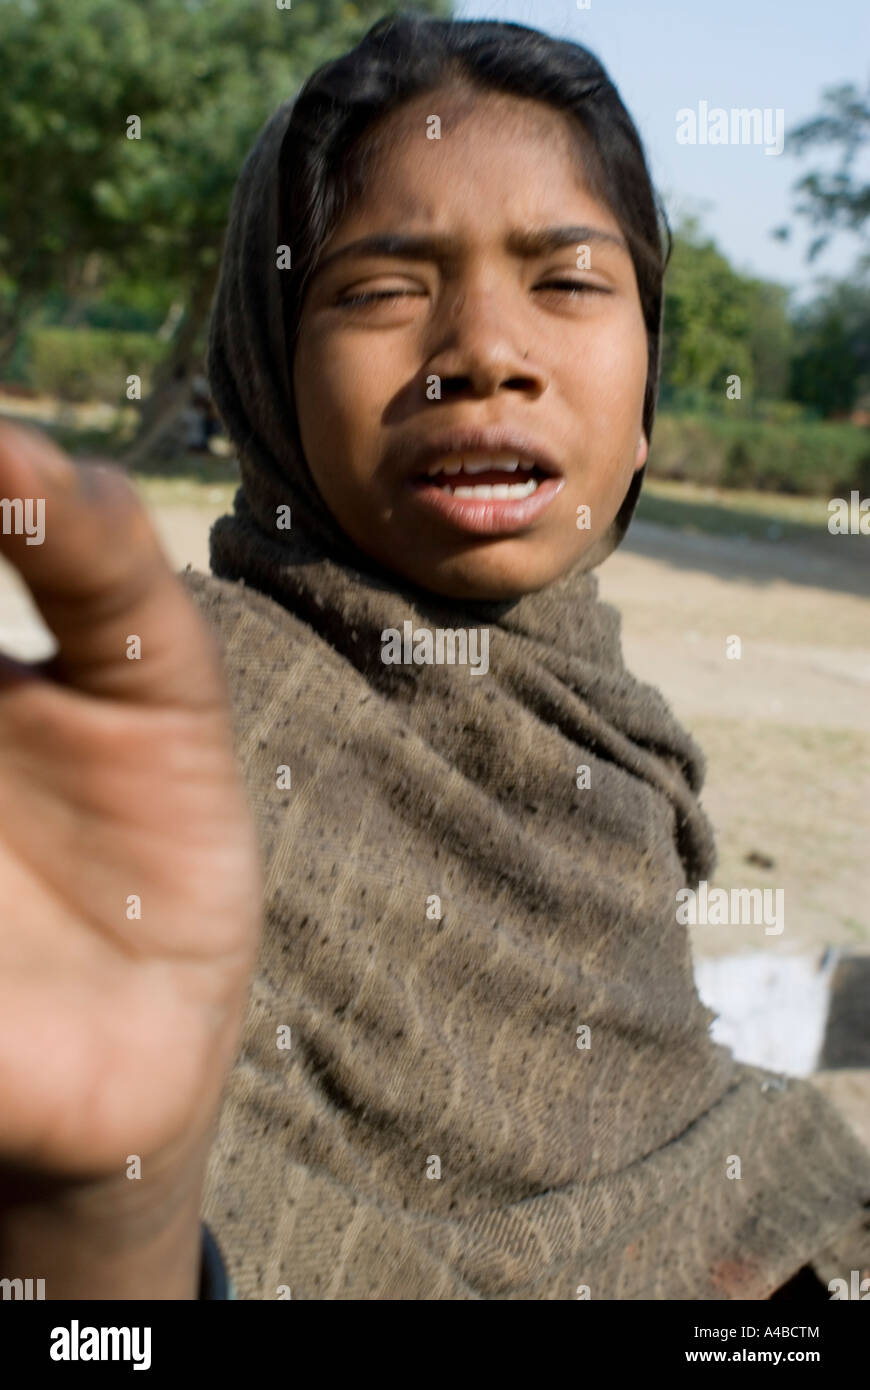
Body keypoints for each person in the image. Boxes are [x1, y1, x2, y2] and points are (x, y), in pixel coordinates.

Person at [1, 13, 868, 1302]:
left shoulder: (602, 744)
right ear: (263, 361)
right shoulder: (184, 761)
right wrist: (104, 1238)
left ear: (647, 391)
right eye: (380, 290)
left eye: (568, 280)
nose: (485, 355)